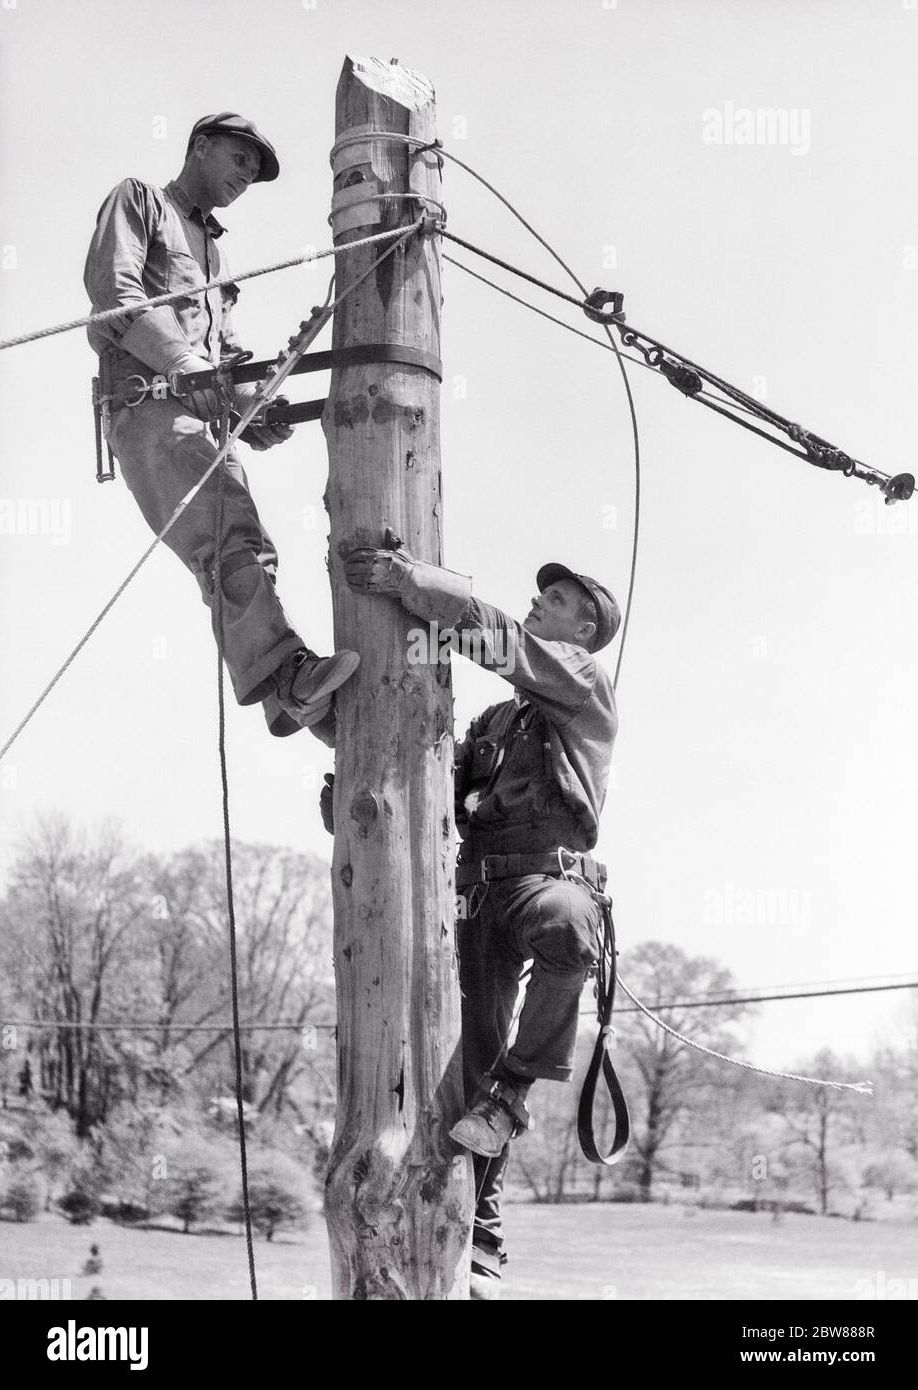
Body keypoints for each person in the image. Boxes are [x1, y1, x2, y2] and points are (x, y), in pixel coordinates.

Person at [341, 534, 620, 1298]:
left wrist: (412, 582)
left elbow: (496, 637)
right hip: (474, 888)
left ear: (585, 629)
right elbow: (433, 781)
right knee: (467, 1060)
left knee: (568, 923)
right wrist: (357, 786)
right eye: (543, 595)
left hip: (542, 877)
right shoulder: (499, 720)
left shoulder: (584, 684)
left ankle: (516, 1091)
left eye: (557, 601)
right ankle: (481, 1234)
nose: (540, 603)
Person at [83, 112, 358, 742]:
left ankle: (286, 698)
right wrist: (189, 366)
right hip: (146, 404)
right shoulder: (141, 201)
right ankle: (287, 676)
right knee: (228, 536)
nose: (245, 178)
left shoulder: (215, 251)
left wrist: (252, 407)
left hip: (194, 414)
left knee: (250, 549)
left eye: (254, 173)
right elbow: (114, 294)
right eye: (239, 160)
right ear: (200, 146)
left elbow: (224, 357)